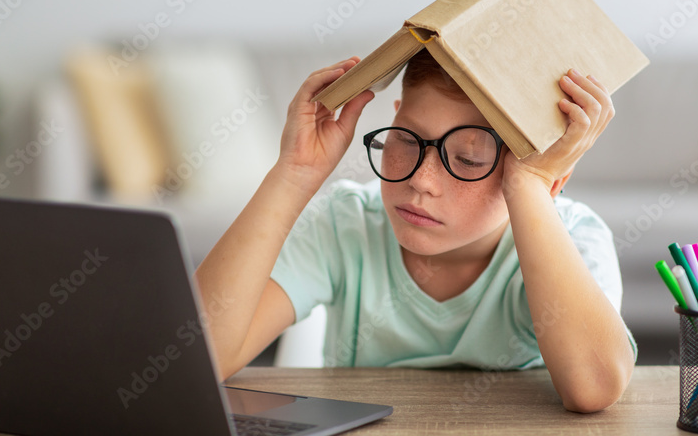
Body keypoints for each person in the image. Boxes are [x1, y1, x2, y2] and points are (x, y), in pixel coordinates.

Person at [193, 49, 636, 412]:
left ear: (543, 172)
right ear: (395, 117)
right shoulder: (345, 224)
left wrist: (530, 188)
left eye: (468, 158)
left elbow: (594, 388)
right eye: (406, 141)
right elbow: (194, 360)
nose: (420, 181)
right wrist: (293, 175)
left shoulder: (573, 237)